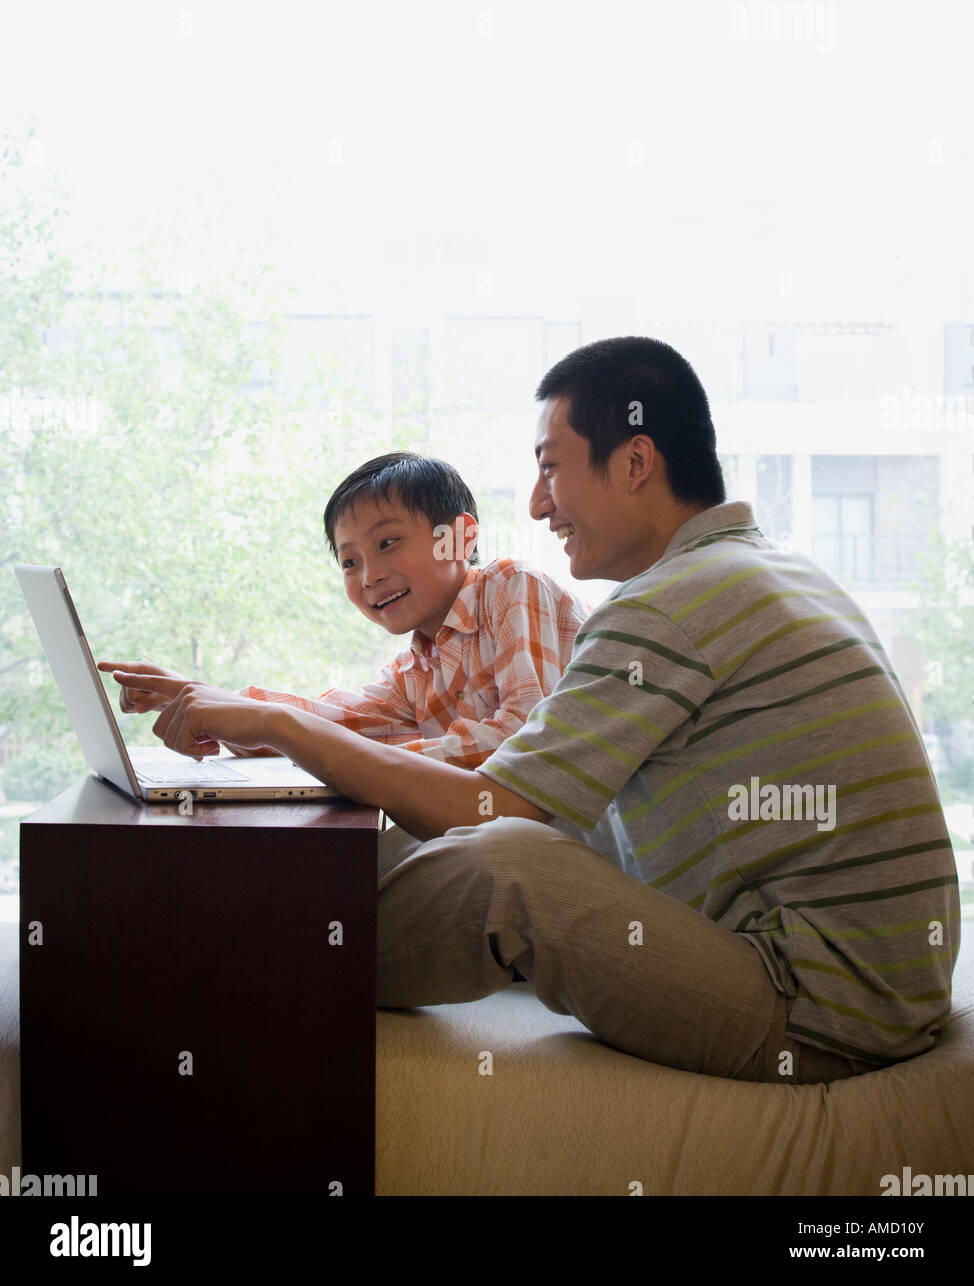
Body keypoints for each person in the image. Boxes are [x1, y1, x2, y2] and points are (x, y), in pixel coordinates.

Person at [108, 338, 960, 1086]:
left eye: (552, 467)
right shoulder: (764, 572)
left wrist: (285, 728)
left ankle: (228, 959)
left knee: (511, 864)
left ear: (634, 463)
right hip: (862, 978)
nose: (541, 503)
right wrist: (258, 715)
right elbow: (458, 765)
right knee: (458, 831)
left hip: (821, 1007)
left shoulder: (664, 607)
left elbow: (496, 808)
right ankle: (226, 911)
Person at [99, 452, 590, 770]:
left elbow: (522, 740)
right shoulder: (415, 667)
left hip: (575, 853)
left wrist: (365, 762)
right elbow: (324, 725)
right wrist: (203, 699)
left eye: (388, 542)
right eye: (349, 561)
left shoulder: (510, 586)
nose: (368, 576)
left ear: (459, 537)